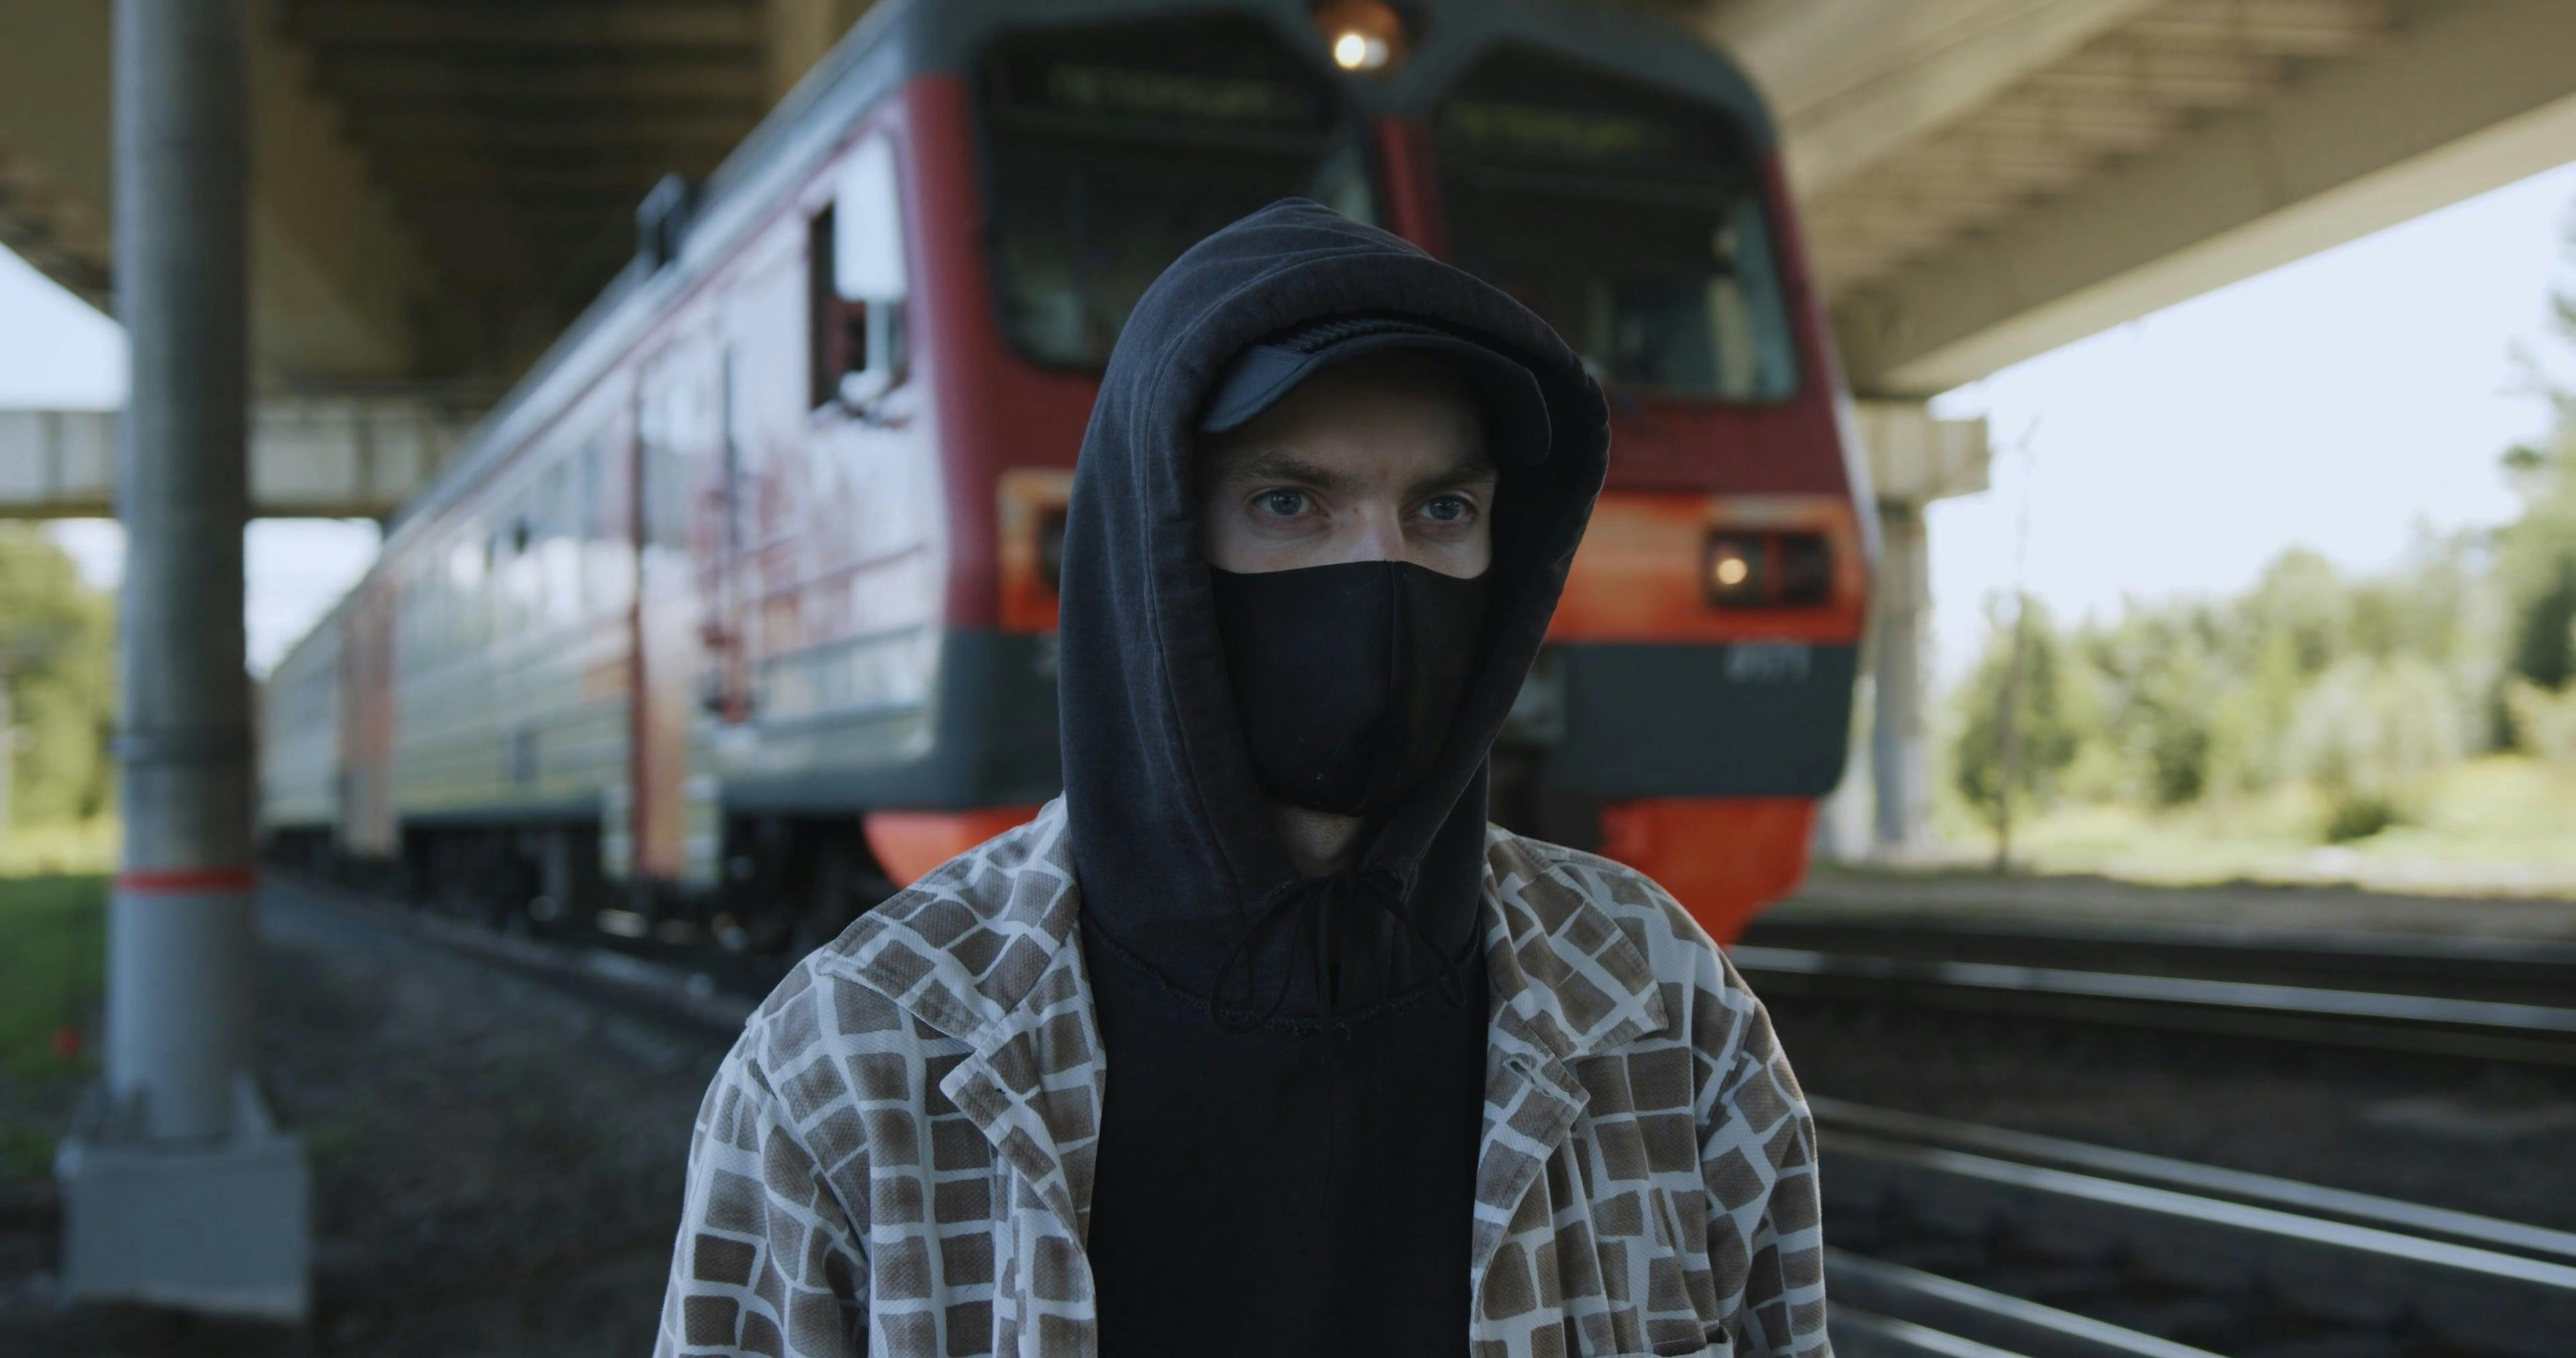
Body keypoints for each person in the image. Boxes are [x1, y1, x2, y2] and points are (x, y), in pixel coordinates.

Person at [654, 200, 1829, 1357]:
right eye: (1289, 503)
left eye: (1442, 508)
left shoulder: (1672, 1016)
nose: (1383, 570)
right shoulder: (849, 1066)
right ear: (1157, 546)